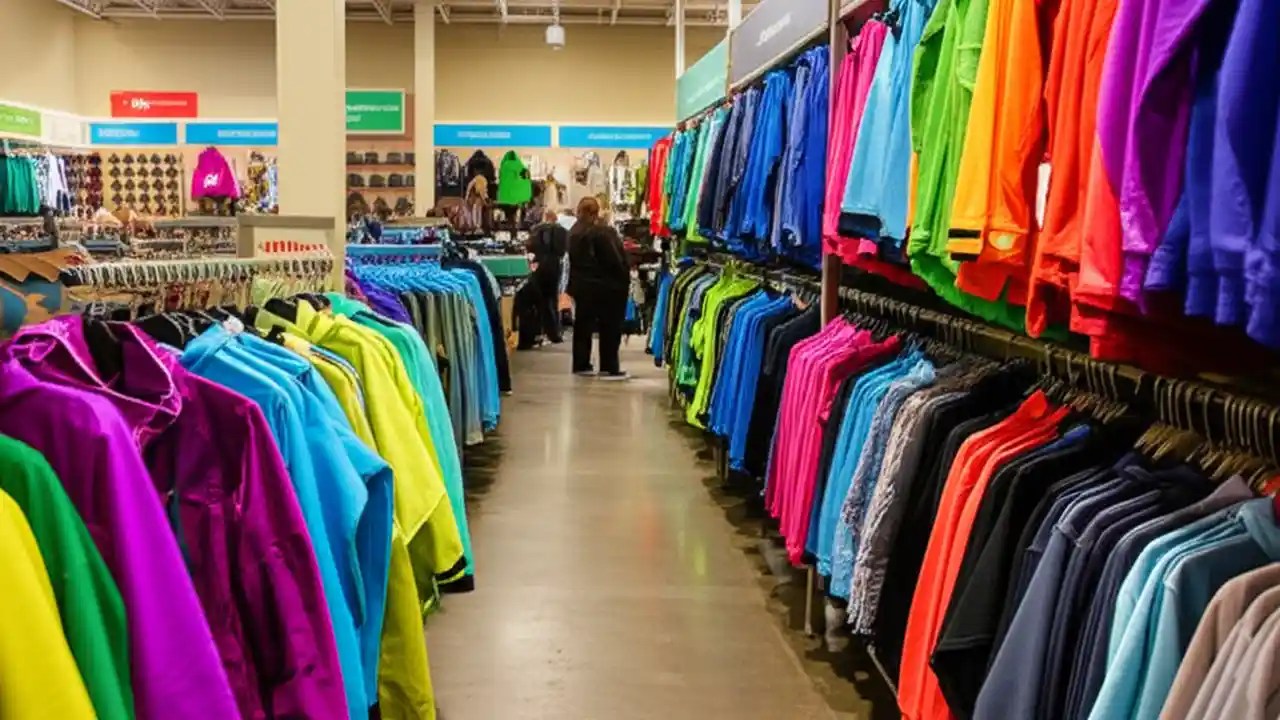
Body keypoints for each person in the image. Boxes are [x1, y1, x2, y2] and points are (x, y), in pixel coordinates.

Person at [567, 196, 630, 380]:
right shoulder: (602, 233)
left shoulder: (573, 232)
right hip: (605, 286)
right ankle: (609, 367)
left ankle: (581, 364)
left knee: (582, 326)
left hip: (581, 286)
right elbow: (614, 261)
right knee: (609, 327)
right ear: (595, 212)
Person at [528, 210, 568, 343]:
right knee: (553, 298)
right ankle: (555, 333)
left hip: (539, 265)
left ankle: (541, 330)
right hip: (554, 265)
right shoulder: (561, 231)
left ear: (545, 217)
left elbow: (530, 247)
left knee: (541, 299)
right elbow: (563, 250)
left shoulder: (536, 230)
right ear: (555, 218)